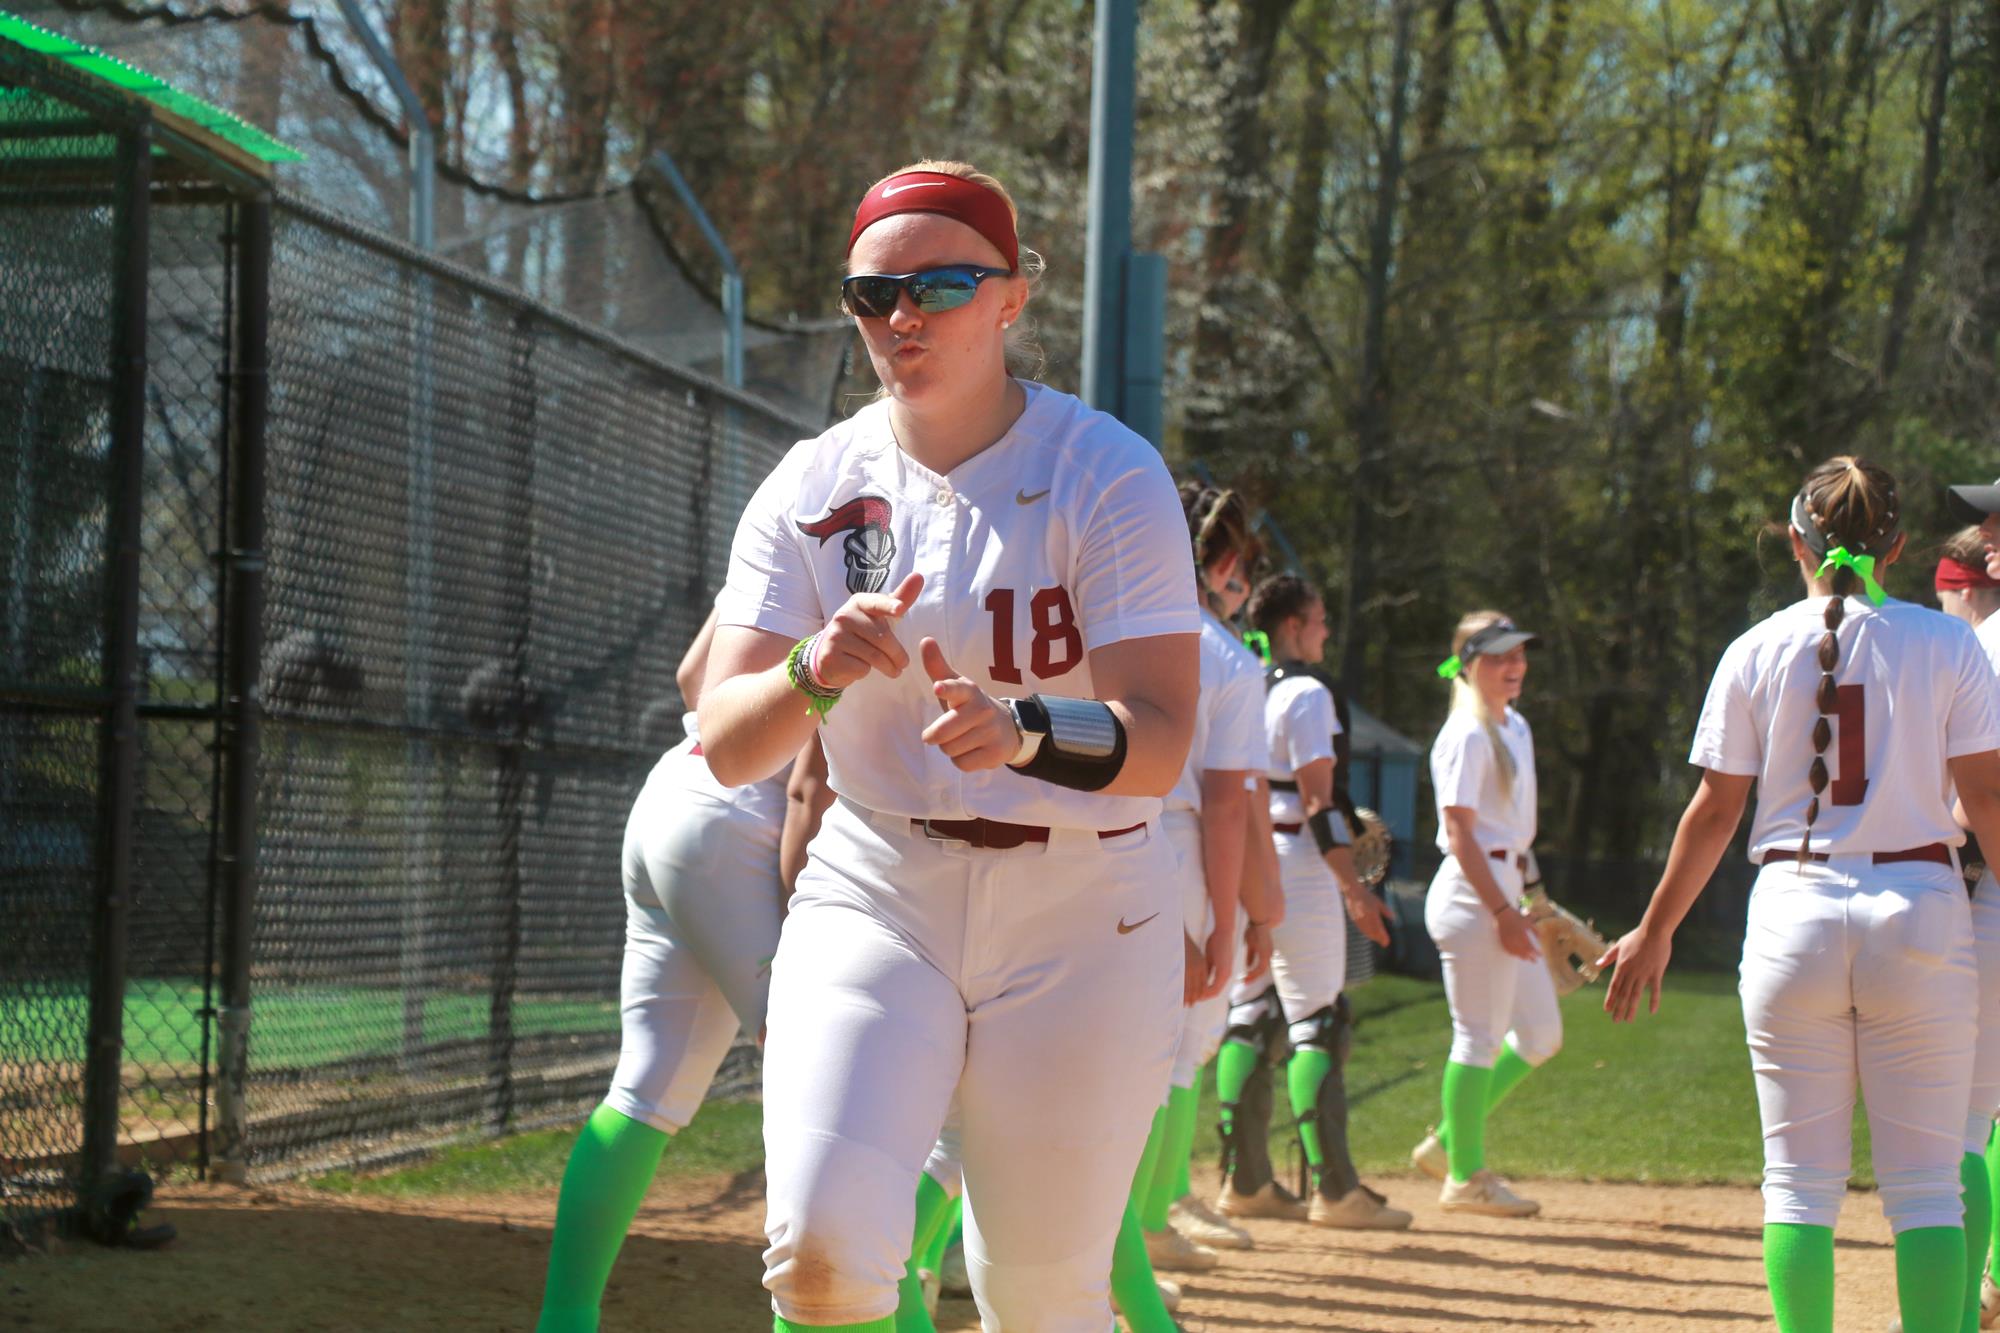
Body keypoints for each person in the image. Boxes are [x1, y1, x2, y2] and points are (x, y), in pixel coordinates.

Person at [700, 159, 1199, 1332]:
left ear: (1012, 295)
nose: (902, 317)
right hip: (878, 884)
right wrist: (812, 668)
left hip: (1084, 905)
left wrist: (1022, 728)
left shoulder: (1105, 471)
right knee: (820, 1257)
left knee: (1038, 1298)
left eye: (941, 283)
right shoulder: (812, 483)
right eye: (873, 295)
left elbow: (1162, 740)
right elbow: (724, 744)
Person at [1602, 456, 2000, 1333]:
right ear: (1897, 545)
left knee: (1799, 1186)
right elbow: (1988, 802)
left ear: (1796, 541)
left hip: (1791, 913)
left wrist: (1654, 928)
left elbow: (1713, 812)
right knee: (1929, 1188)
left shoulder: (1755, 647)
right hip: (1919, 907)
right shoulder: (1949, 643)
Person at [535, 607, 794, 1331]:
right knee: (837, 1085)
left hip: (673, 794)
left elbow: (692, 679)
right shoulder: (889, 526)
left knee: (646, 1087)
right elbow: (813, 786)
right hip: (745, 819)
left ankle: (565, 1322)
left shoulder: (788, 508)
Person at [1210, 572, 1403, 1229]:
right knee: (1317, 1017)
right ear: (1293, 625)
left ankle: (1245, 1179)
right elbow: (1320, 802)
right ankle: (1336, 1189)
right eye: (1318, 620)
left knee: (1249, 1008)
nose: (1324, 631)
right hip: (1300, 857)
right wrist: (1356, 890)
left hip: (1245, 854)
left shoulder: (1245, 681)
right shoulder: (1309, 695)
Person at [1408, 609, 1557, 1218]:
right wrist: (1502, 910)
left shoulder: (1512, 726)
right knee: (1478, 1037)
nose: (1513, 665)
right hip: (1474, 898)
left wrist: (1532, 899)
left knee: (1542, 1034)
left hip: (1505, 885)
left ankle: (1448, 1141)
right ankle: (1464, 1174)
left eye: (1518, 653)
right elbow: (1460, 833)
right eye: (1497, 656)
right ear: (1468, 665)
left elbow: (1511, 835)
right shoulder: (1465, 732)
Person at [1940, 494, 2000, 1331]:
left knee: (1959, 1116)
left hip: (1986, 887)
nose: (1987, 534)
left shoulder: (1983, 644)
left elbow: (1964, 803)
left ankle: (1952, 1314)